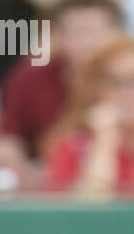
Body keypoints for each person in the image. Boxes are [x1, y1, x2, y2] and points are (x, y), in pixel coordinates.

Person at [0, 0, 124, 160]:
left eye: (92, 32)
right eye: (75, 32)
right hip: (48, 177)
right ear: (58, 36)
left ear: (117, 34)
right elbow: (8, 139)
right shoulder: (32, 76)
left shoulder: (127, 78)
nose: (85, 44)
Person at [47, 35, 134, 197]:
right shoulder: (74, 148)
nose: (127, 93)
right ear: (96, 89)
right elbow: (90, 211)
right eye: (115, 83)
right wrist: (104, 141)